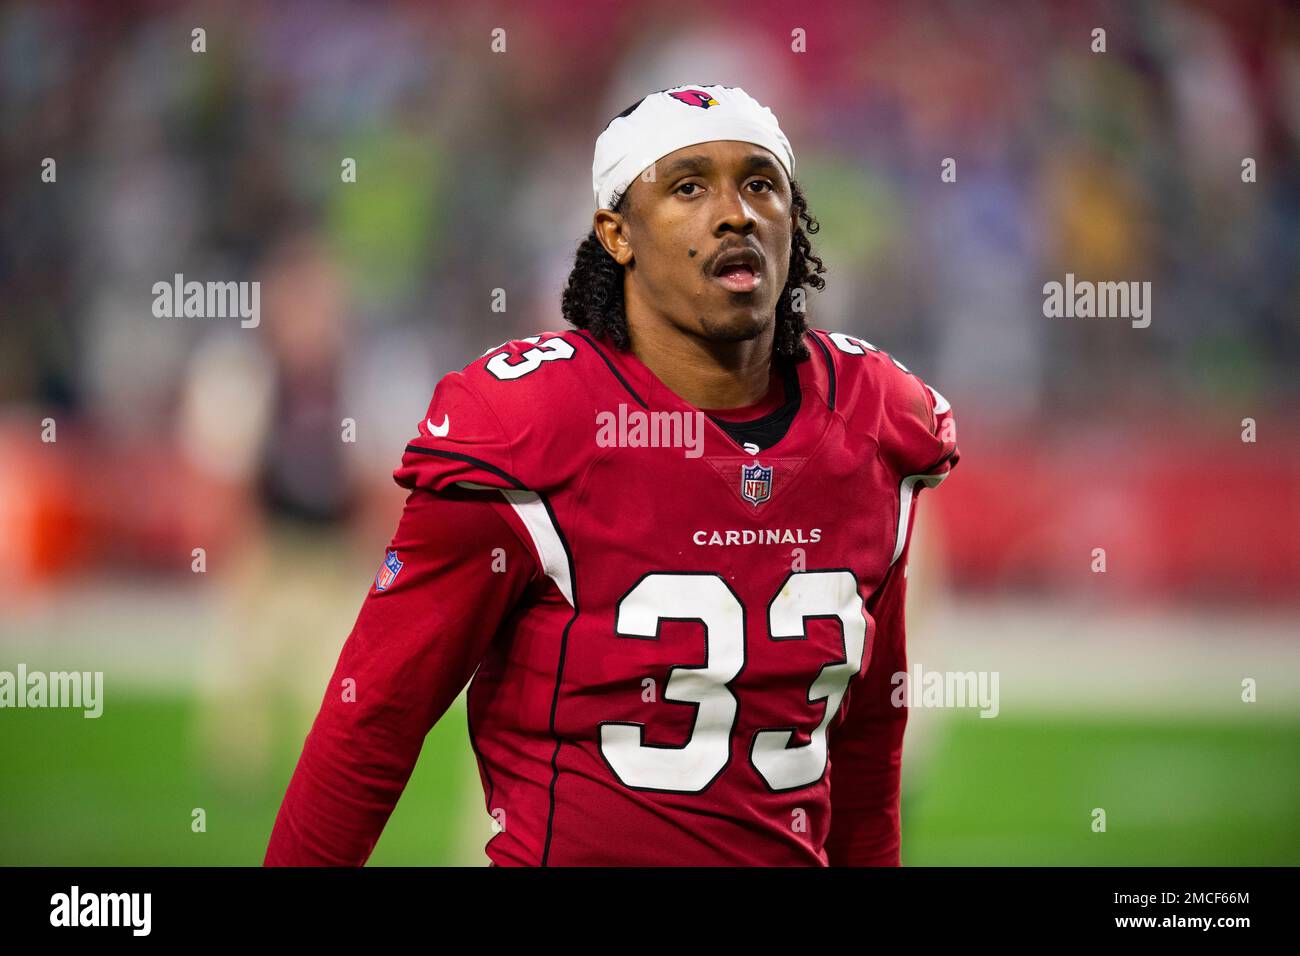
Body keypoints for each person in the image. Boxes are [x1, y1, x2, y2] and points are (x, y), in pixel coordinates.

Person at [264, 83, 960, 866]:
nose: (735, 213)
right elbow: (375, 718)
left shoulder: (872, 421)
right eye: (689, 186)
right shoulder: (530, 424)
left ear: (795, 225)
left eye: (761, 183)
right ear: (617, 234)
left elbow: (866, 751)